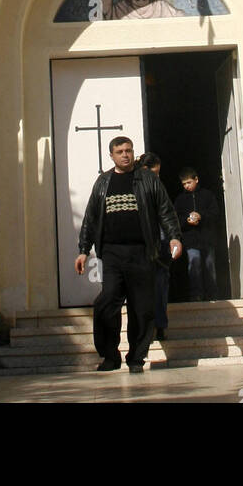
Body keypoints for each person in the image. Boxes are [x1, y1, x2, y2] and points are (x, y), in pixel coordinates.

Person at [76, 136, 182, 373]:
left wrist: (174, 236)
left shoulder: (147, 179)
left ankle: (136, 358)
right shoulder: (103, 182)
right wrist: (83, 250)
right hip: (112, 254)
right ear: (111, 155)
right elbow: (91, 218)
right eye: (120, 151)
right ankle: (110, 356)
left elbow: (165, 210)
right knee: (107, 302)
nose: (125, 155)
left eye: (128, 150)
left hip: (142, 252)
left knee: (142, 308)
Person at [137, 152, 171, 340]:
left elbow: (166, 214)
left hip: (159, 242)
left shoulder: (158, 187)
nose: (157, 177)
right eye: (155, 172)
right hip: (140, 243)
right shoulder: (132, 186)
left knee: (160, 284)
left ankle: (159, 325)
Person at [174, 167, 219, 301]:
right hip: (190, 239)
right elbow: (175, 219)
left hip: (207, 237)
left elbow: (215, 214)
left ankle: (212, 294)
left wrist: (201, 216)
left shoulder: (207, 195)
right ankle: (196, 295)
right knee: (194, 264)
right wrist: (187, 221)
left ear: (196, 180)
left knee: (209, 266)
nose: (187, 186)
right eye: (184, 184)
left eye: (189, 182)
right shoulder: (180, 200)